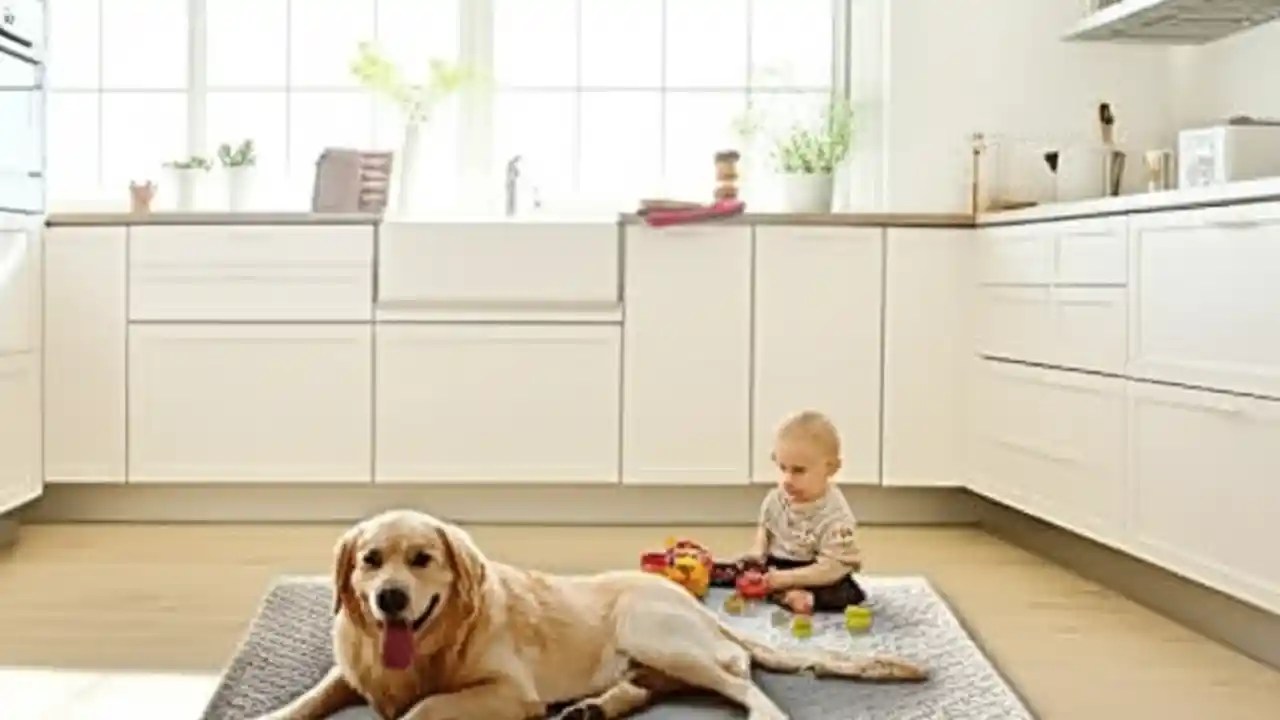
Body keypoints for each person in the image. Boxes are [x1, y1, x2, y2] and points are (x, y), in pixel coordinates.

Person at [739, 410, 866, 614]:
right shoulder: (776, 498)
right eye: (783, 468)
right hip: (778, 564)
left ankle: (795, 594)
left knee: (846, 592)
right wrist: (758, 551)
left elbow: (833, 566)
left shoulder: (836, 516)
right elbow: (766, 527)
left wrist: (787, 579)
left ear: (830, 468)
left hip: (817, 572)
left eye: (798, 471)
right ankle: (784, 592)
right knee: (746, 573)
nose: (787, 479)